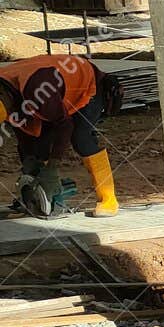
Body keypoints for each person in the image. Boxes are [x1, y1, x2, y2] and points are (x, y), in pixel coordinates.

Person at [0, 54, 118, 218]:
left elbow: (64, 125)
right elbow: (21, 126)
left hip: (86, 85)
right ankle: (39, 193)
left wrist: (52, 168)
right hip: (51, 93)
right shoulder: (5, 88)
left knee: (81, 138)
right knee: (39, 145)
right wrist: (30, 160)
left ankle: (108, 198)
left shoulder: (38, 89)